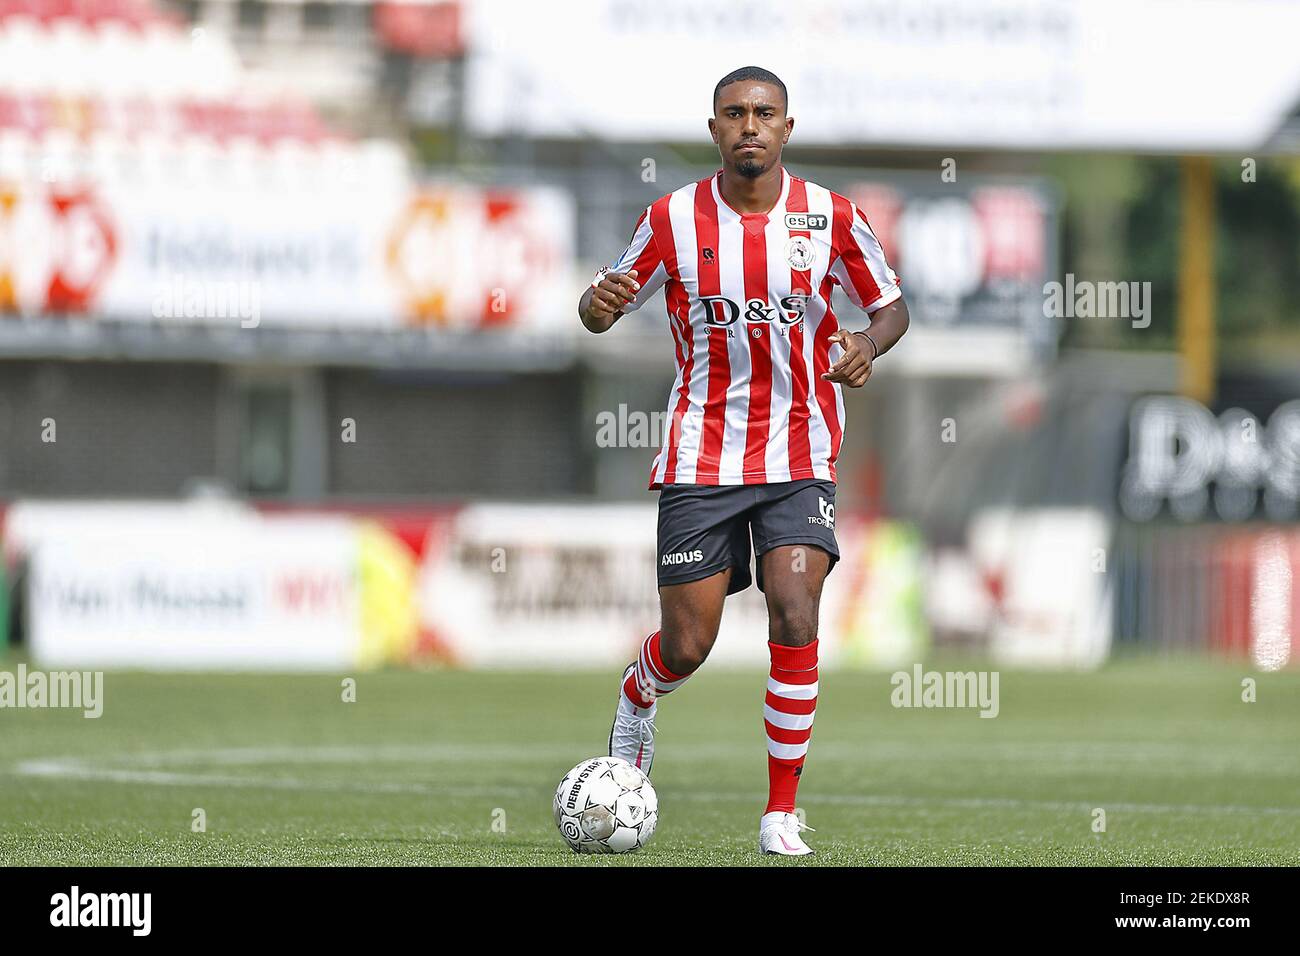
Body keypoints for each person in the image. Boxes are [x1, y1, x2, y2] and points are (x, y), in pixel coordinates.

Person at [576, 65, 910, 856]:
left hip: (800, 448)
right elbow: (603, 303)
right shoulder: (670, 219)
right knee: (688, 644)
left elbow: (891, 306)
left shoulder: (831, 218)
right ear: (715, 130)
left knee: (795, 603)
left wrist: (865, 343)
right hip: (701, 453)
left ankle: (780, 811)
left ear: (787, 129)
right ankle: (639, 695)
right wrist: (596, 306)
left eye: (765, 113)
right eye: (735, 114)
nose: (750, 126)